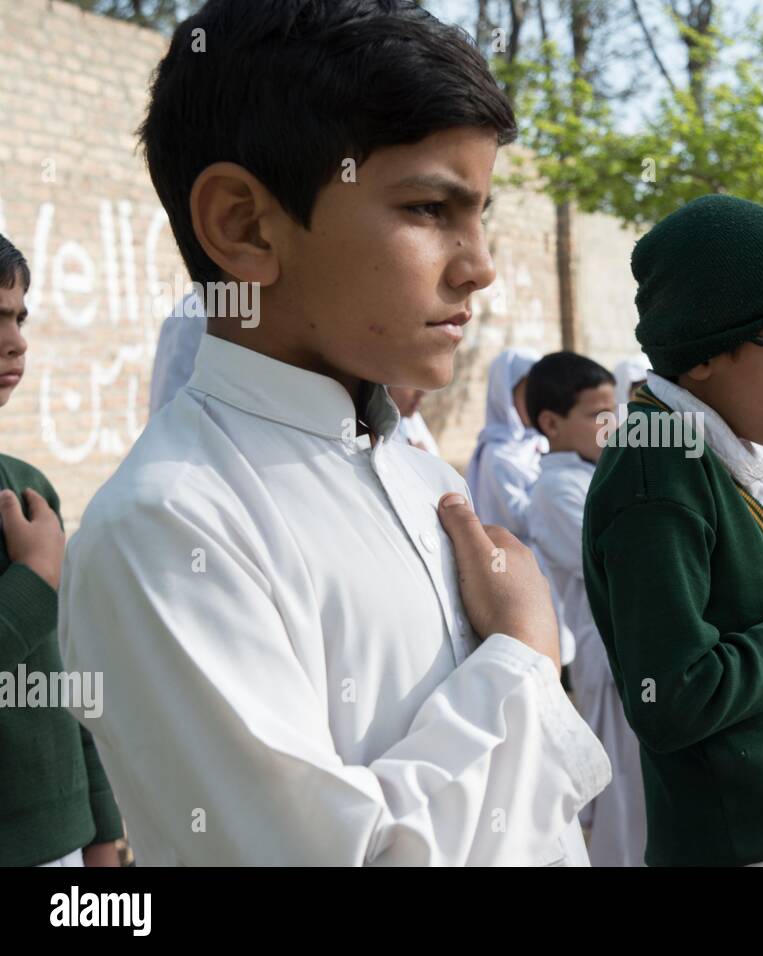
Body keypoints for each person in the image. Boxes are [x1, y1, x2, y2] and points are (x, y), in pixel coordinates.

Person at [59, 0, 609, 866]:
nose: (481, 264)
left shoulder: (422, 476)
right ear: (243, 225)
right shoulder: (168, 528)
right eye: (431, 207)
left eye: (482, 214)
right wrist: (521, 661)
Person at [583, 194, 763, 867]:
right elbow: (673, 698)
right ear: (705, 350)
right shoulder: (657, 475)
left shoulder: (730, 447)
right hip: (748, 842)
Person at [0, 232, 125, 867]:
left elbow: (70, 675)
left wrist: (104, 826)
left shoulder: (28, 492)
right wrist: (33, 576)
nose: (16, 339)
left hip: (66, 845)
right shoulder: (35, 543)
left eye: (19, 316)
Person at [524, 351, 645, 867]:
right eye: (597, 414)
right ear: (551, 423)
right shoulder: (556, 491)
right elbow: (626, 562)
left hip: (633, 650)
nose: (611, 423)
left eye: (612, 410)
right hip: (610, 654)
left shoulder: (599, 474)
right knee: (627, 801)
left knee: (643, 792)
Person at [465, 347, 545, 543]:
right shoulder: (497, 455)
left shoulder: (542, 441)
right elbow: (520, 520)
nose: (538, 402)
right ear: (506, 396)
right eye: (529, 393)